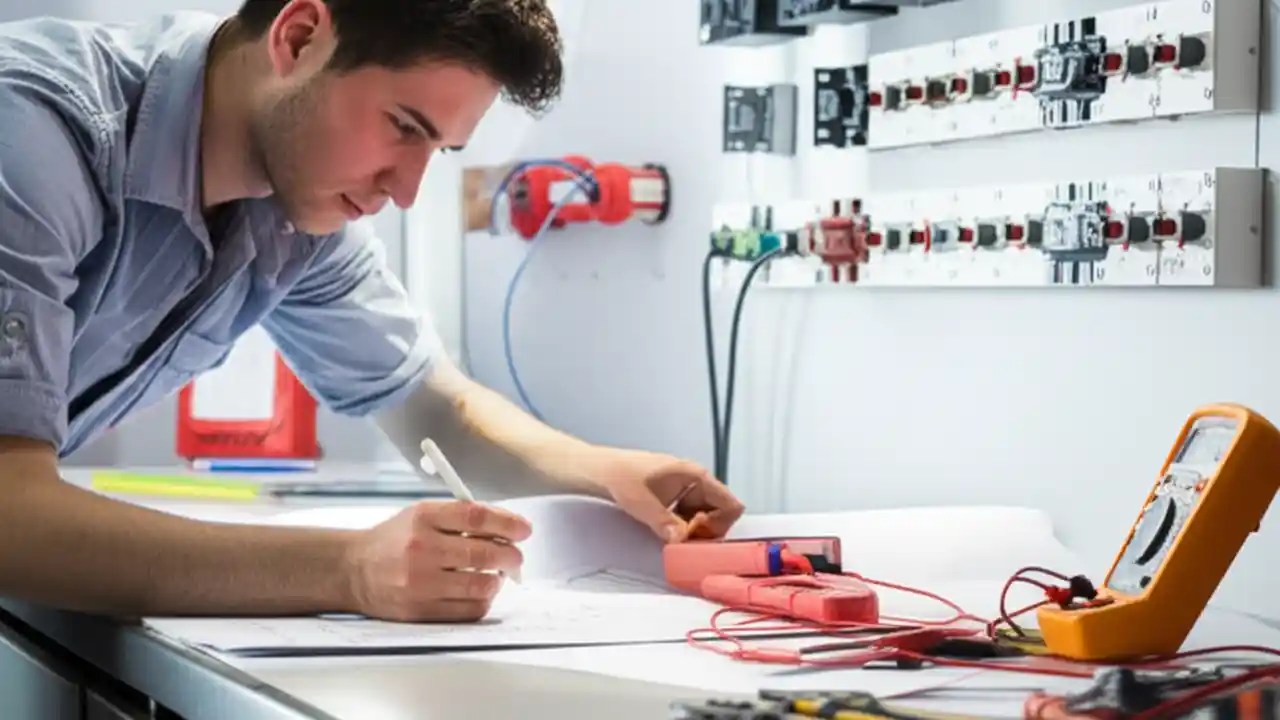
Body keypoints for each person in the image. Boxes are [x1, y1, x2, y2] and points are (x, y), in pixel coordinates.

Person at [0, 0, 744, 623]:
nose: (409, 189)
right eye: (404, 127)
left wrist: (606, 472)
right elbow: (9, 514)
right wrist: (350, 570)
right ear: (298, 38)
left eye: (441, 151)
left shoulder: (295, 218)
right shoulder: (32, 132)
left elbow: (434, 410)